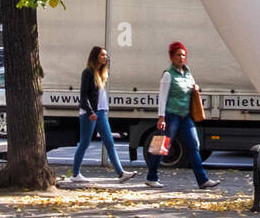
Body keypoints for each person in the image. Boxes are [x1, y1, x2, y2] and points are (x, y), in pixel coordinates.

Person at [146, 41, 219, 190]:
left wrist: (196, 88)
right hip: (171, 115)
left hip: (186, 116)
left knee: (194, 145)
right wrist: (161, 117)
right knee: (162, 146)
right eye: (178, 55)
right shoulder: (168, 75)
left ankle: (202, 180)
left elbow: (193, 87)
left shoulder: (188, 73)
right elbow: (162, 97)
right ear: (172, 57)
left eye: (183, 55)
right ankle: (151, 177)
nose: (181, 57)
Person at [72, 46, 135, 183]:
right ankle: (75, 174)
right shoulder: (87, 73)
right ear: (95, 57)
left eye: (106, 55)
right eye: (102, 55)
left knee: (109, 142)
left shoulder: (101, 74)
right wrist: (90, 112)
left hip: (101, 112)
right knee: (84, 143)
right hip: (90, 113)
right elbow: (83, 96)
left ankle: (121, 173)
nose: (105, 57)